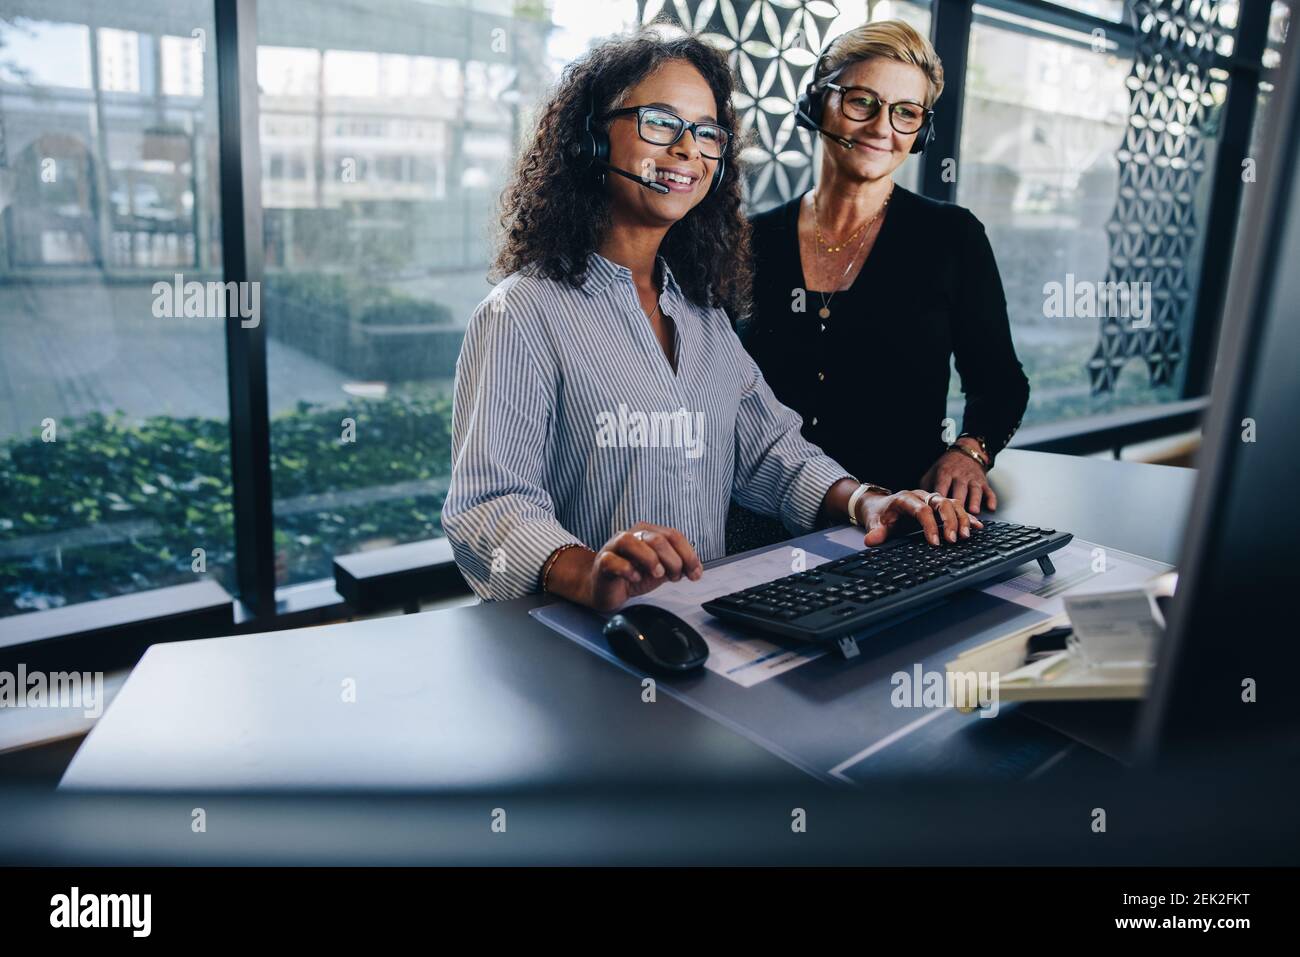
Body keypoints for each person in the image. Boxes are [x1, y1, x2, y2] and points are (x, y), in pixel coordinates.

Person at [442, 31, 980, 613]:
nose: (686, 150)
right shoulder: (522, 312)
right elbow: (488, 506)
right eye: (659, 122)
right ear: (593, 136)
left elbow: (772, 452)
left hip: (702, 630)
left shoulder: (699, 312)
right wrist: (587, 573)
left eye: (705, 132)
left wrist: (868, 503)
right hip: (578, 644)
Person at [737, 20, 1029, 540]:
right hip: (761, 520)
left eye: (906, 113)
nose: (881, 127)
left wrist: (969, 451)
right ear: (816, 104)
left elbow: (1000, 384)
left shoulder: (952, 238)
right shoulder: (749, 241)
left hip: (905, 517)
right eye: (862, 102)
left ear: (921, 131)